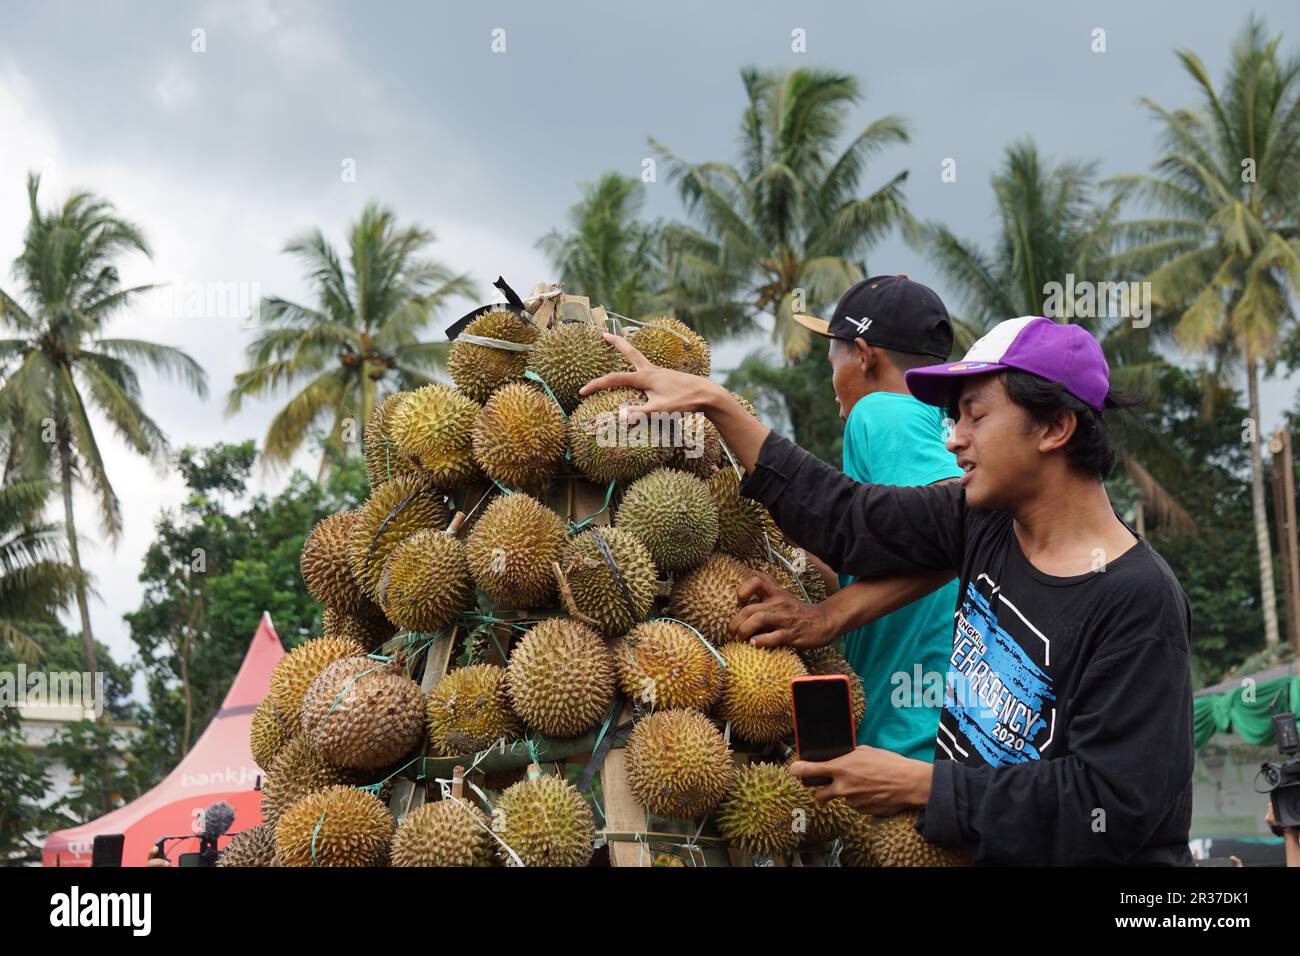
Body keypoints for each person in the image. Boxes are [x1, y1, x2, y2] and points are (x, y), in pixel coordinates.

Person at [580, 315, 1195, 865]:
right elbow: (848, 517)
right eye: (955, 417)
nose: (954, 438)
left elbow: (1112, 805)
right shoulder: (984, 523)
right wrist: (718, 405)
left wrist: (921, 785)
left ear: (1055, 427)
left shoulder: (1137, 602)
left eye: (975, 415)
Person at [733, 275, 960, 763]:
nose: (830, 377)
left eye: (832, 359)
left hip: (907, 739)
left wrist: (825, 617)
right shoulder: (953, 428)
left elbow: (951, 530)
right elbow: (912, 554)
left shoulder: (881, 411)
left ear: (863, 355)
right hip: (955, 728)